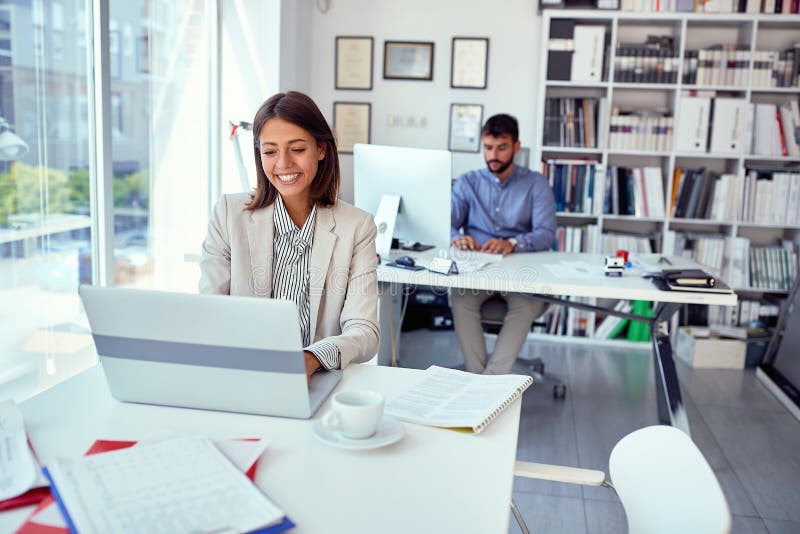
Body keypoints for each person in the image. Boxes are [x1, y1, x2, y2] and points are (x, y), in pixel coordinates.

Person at [199, 91, 379, 382]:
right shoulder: (228, 214)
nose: (283, 163)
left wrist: (313, 358)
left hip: (317, 379)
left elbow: (365, 330)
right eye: (270, 152)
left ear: (321, 149)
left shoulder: (357, 227)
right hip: (242, 376)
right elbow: (210, 311)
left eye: (297, 149)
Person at [450, 113, 556, 375]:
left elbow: (546, 233)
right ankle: (478, 378)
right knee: (461, 299)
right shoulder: (467, 182)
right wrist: (456, 237)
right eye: (488, 148)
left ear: (516, 147)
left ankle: (490, 382)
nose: (493, 155)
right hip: (478, 271)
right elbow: (445, 224)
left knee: (526, 304)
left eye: (502, 147)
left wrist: (513, 243)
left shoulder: (536, 184)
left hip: (521, 271)